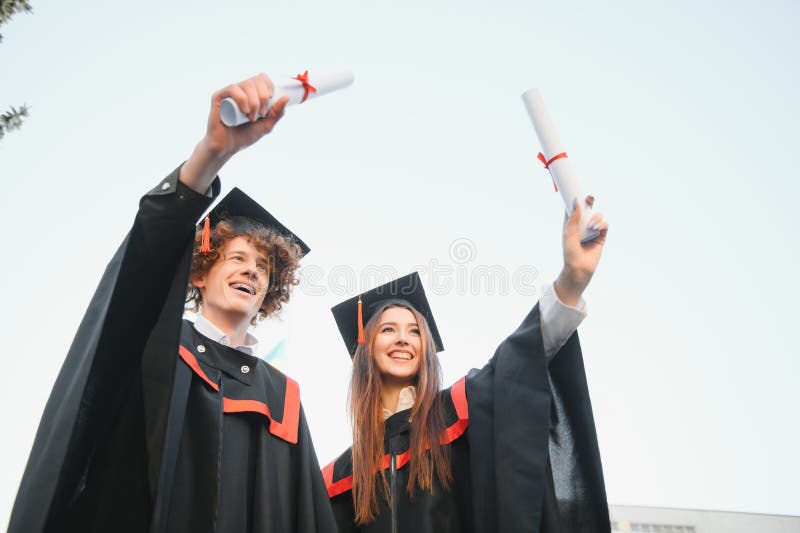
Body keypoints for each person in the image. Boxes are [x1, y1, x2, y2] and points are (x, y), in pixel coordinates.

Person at [9, 74, 338, 533]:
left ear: (269, 291)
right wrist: (211, 154)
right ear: (200, 272)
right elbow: (144, 264)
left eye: (262, 267)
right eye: (237, 258)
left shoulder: (282, 397)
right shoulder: (155, 345)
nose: (251, 271)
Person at [324, 200, 611, 532]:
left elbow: (517, 360)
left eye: (415, 331)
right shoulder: (338, 478)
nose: (403, 339)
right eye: (388, 329)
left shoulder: (456, 412)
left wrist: (572, 280)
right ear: (365, 345)